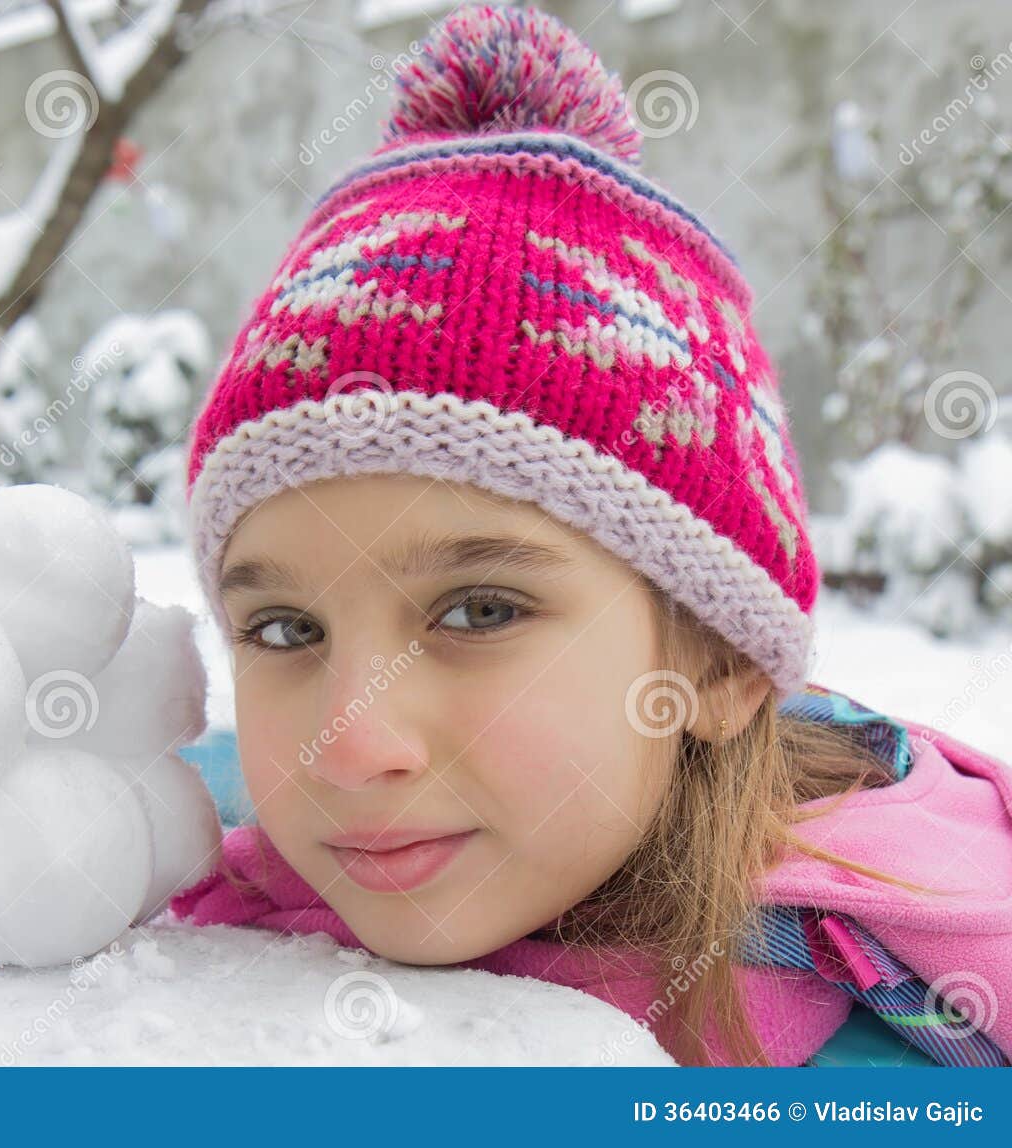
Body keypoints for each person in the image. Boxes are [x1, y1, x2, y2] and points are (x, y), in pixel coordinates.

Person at [169, 3, 1012, 1066]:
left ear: (716, 661)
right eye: (286, 628)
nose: (352, 745)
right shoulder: (182, 896)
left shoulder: (924, 1024)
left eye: (478, 609)